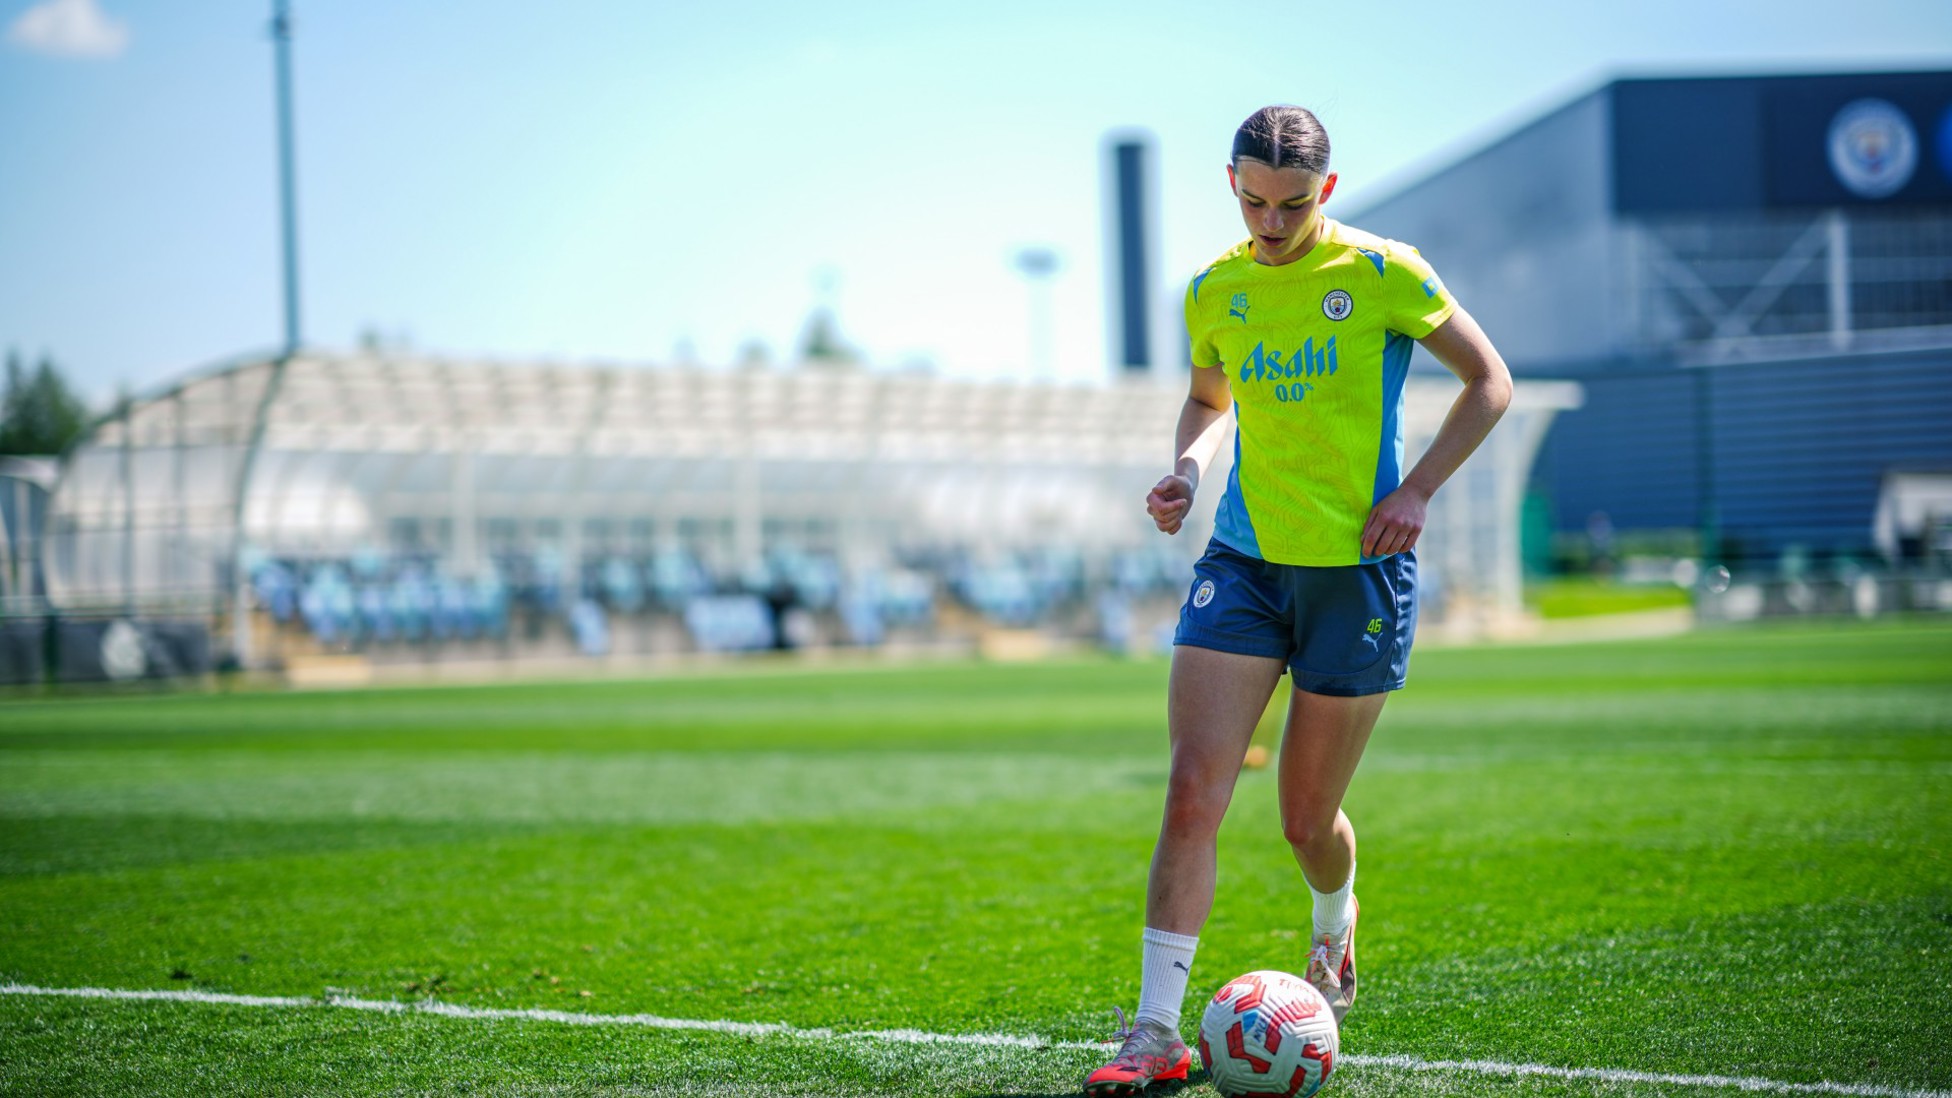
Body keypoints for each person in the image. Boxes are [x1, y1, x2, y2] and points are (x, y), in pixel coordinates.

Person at [1084, 105, 1512, 1097]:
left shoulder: (1382, 274)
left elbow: (1488, 384)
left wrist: (1416, 493)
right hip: (1238, 562)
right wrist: (1186, 471)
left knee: (1301, 821)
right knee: (1194, 790)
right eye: (1250, 202)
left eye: (1287, 206)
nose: (1268, 225)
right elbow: (1207, 398)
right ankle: (1154, 1032)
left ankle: (1333, 924)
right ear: (1228, 183)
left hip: (1354, 571)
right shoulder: (1211, 290)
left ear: (1323, 190)